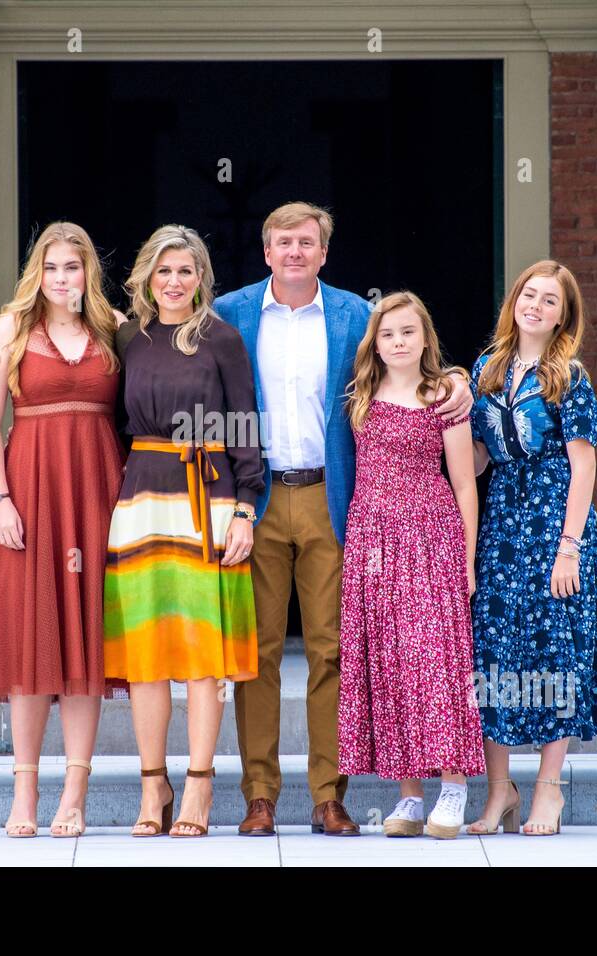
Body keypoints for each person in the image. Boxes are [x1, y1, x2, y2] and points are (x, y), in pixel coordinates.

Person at [215, 202, 473, 837]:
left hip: (338, 500)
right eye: (284, 242)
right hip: (259, 498)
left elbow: (412, 367)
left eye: (307, 242)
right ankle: (259, 796)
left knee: (335, 650)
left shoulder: (359, 315)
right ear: (266, 249)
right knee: (259, 653)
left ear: (324, 253)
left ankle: (330, 794)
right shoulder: (232, 313)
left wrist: (461, 379)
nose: (295, 252)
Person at [0, 222, 127, 838]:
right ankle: (25, 793)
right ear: (39, 271)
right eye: (53, 267)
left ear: (90, 273)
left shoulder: (110, 330)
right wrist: (0, 499)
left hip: (95, 496)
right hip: (27, 496)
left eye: (74, 267)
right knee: (31, 644)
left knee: (85, 644)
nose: (63, 278)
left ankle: (74, 795)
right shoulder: (11, 329)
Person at [104, 224, 264, 838]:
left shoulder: (222, 339)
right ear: (148, 275)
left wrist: (246, 507)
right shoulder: (127, 337)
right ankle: (154, 784)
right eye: (164, 271)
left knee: (202, 654)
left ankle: (199, 786)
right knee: (146, 656)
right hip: (142, 498)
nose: (174, 282)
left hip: (211, 498)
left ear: (202, 279)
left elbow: (246, 423)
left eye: (185, 271)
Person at [466, 259, 597, 837]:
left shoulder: (571, 376)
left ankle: (548, 790)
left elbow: (584, 466)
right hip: (503, 522)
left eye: (550, 301)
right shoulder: (485, 369)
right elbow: (482, 457)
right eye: (529, 294)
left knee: (555, 651)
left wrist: (568, 548)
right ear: (515, 300)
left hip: (558, 524)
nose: (535, 305)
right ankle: (497, 793)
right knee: (491, 651)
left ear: (564, 317)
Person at [337, 291, 486, 839]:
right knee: (389, 660)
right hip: (371, 539)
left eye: (407, 332)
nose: (398, 342)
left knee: (435, 657)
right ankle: (409, 795)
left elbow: (466, 482)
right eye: (387, 333)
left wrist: (465, 558)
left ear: (426, 338)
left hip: (429, 535)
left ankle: (454, 787)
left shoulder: (442, 394)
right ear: (374, 342)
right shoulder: (360, 394)